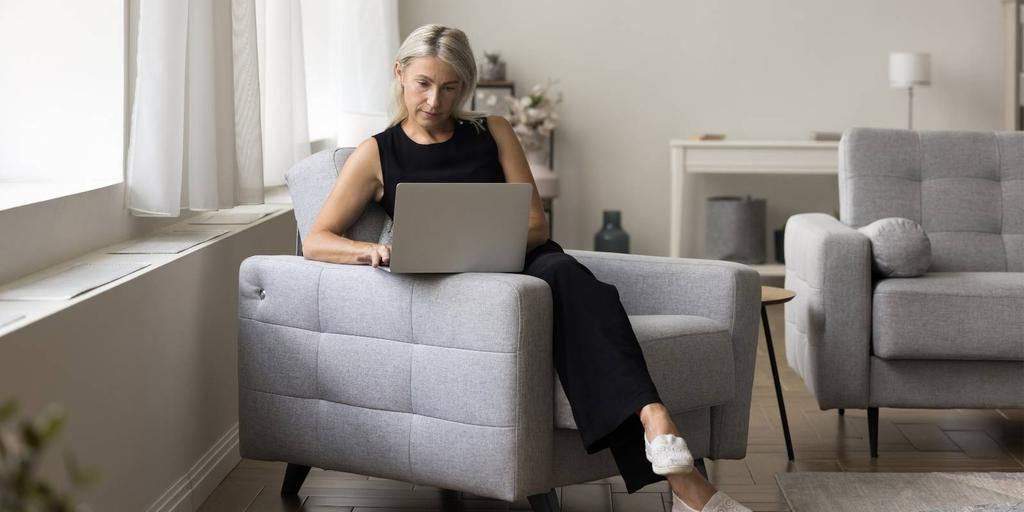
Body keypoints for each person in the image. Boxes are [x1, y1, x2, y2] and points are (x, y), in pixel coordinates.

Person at [301, 24, 750, 512]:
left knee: (575, 281)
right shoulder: (376, 153)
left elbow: (535, 223)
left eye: (451, 87)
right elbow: (316, 240)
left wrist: (485, 241)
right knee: (575, 301)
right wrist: (372, 252)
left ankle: (657, 423)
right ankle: (674, 461)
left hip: (528, 261)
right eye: (424, 84)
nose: (435, 100)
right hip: (466, 288)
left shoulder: (492, 131)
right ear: (400, 74)